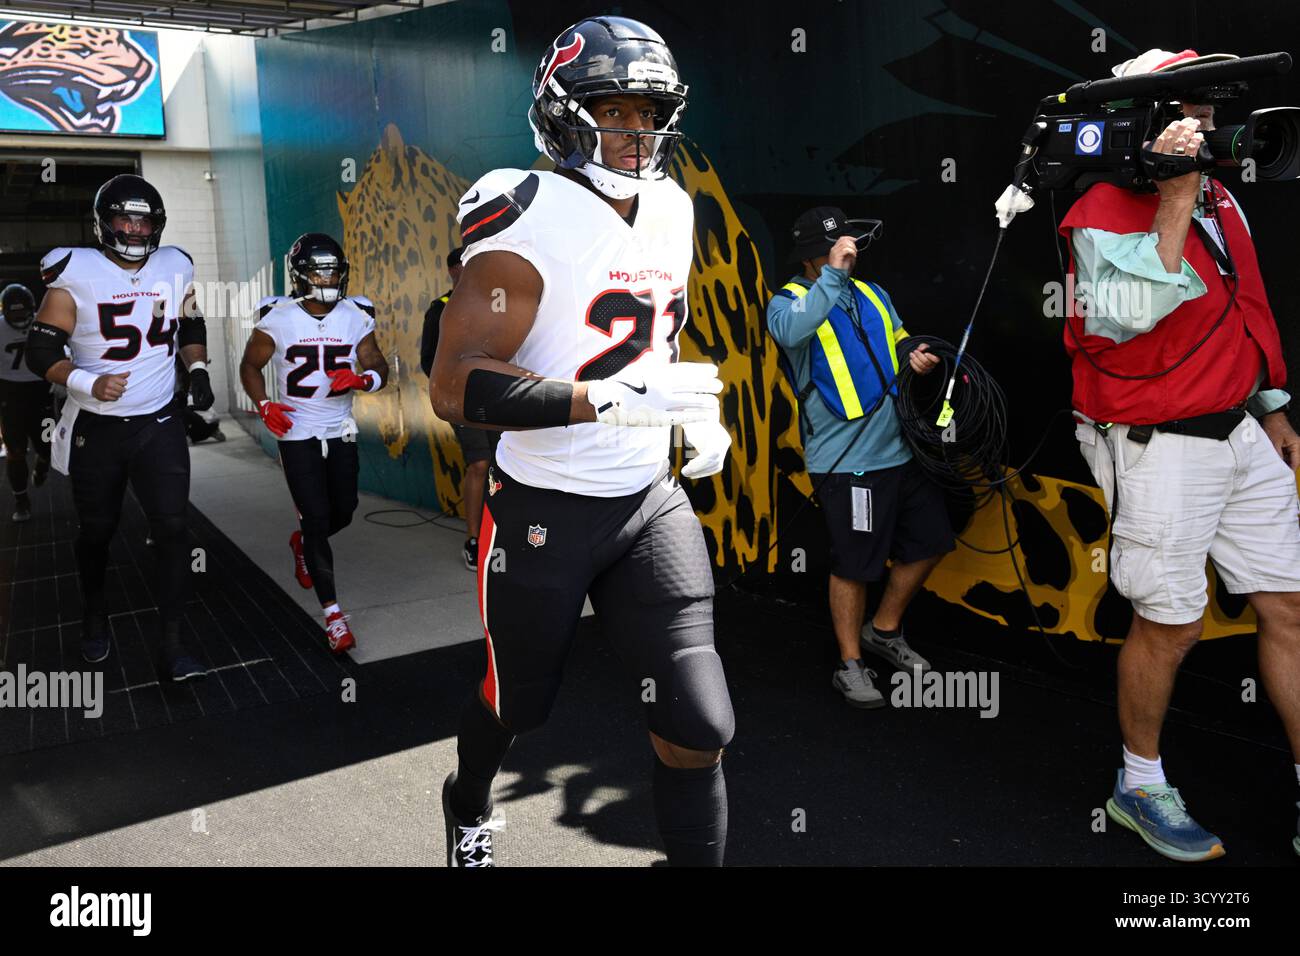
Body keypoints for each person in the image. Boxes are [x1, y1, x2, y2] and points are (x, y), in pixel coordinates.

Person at [431, 16, 734, 867]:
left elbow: (648, 341)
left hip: (647, 500)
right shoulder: (524, 213)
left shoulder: (673, 205)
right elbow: (455, 385)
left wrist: (683, 409)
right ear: (563, 111)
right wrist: (606, 400)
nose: (635, 131)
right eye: (614, 109)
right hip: (543, 506)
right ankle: (467, 804)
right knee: (516, 702)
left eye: (650, 112)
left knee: (700, 722)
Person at [1062, 49, 1300, 862]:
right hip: (1157, 446)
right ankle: (1137, 785)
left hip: (1238, 430)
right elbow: (1126, 316)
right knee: (1170, 625)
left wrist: (1270, 403)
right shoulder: (1099, 207)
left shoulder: (1220, 195)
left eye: (1207, 110)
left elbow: (1246, 297)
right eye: (1187, 111)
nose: (1204, 126)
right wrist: (1172, 194)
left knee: (1292, 608)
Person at [25, 174, 214, 680]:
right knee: (97, 532)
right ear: (103, 222)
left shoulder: (175, 264)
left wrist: (196, 368)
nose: (134, 228)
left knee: (174, 530)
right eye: (124, 218)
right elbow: (39, 351)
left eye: (144, 219)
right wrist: (87, 380)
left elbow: (189, 319)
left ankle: (173, 647)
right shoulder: (75, 271)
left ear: (158, 224)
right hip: (100, 427)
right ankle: (94, 613)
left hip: (159, 422)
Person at [766, 207, 950, 708]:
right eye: (835, 247)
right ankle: (850, 664)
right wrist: (833, 276)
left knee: (931, 540)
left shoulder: (872, 292)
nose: (849, 252)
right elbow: (791, 334)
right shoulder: (788, 302)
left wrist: (915, 351)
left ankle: (884, 629)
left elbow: (895, 337)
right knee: (854, 565)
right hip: (845, 463)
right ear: (814, 257)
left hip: (899, 451)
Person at [239, 233, 388, 654]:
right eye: (320, 270)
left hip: (339, 427)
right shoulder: (278, 315)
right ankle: (334, 615)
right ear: (301, 276)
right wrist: (264, 402)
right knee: (317, 518)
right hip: (297, 429)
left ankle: (302, 542)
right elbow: (250, 364)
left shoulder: (356, 313)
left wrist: (363, 379)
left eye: (334, 270)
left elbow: (378, 365)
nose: (329, 277)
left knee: (345, 510)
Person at [421, 245, 500, 569]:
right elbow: (429, 362)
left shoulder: (496, 304)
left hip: (496, 399)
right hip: (461, 401)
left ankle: (501, 533)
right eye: (464, 266)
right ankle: (473, 539)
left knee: (503, 465)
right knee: (480, 464)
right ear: (453, 271)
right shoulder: (439, 308)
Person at [0, 283, 52, 521]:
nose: (20, 318)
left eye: (23, 312)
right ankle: (21, 501)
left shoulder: (43, 324)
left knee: (49, 447)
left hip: (41, 391)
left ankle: (43, 463)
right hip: (11, 394)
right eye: (14, 313)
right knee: (15, 451)